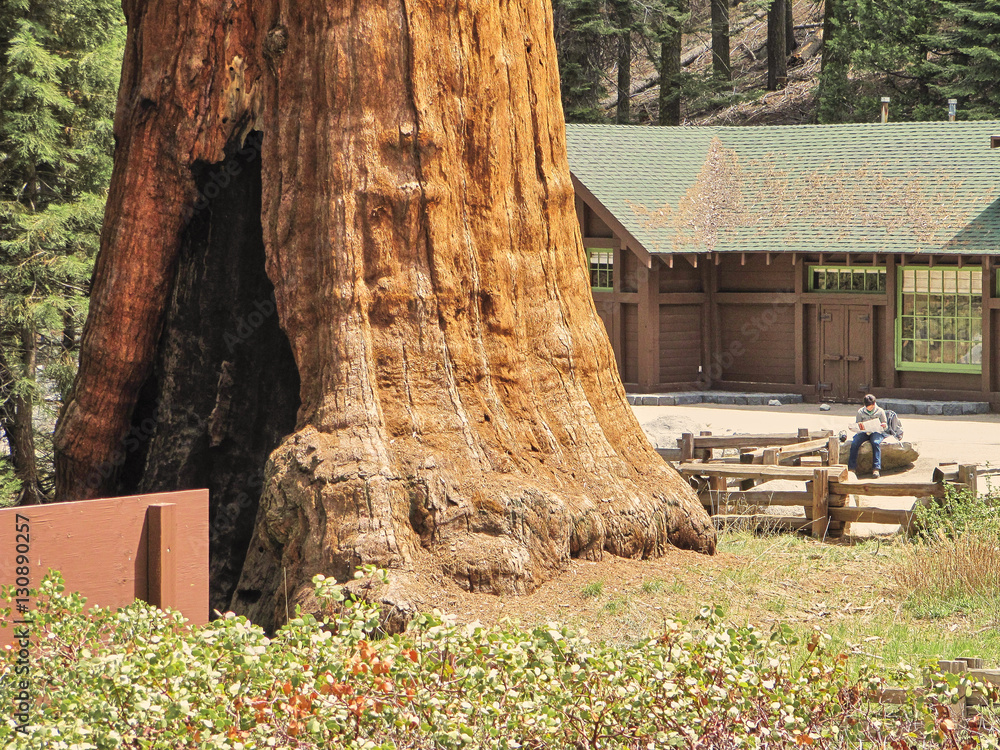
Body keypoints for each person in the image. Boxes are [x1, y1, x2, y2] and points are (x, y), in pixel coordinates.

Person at [848, 394, 888, 478]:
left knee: (875, 443)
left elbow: (885, 425)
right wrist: (856, 427)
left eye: (871, 406)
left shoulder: (880, 411)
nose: (869, 408)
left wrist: (884, 425)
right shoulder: (860, 412)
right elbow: (858, 424)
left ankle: (876, 469)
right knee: (855, 443)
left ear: (874, 404)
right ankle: (851, 468)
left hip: (876, 432)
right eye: (867, 407)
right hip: (864, 432)